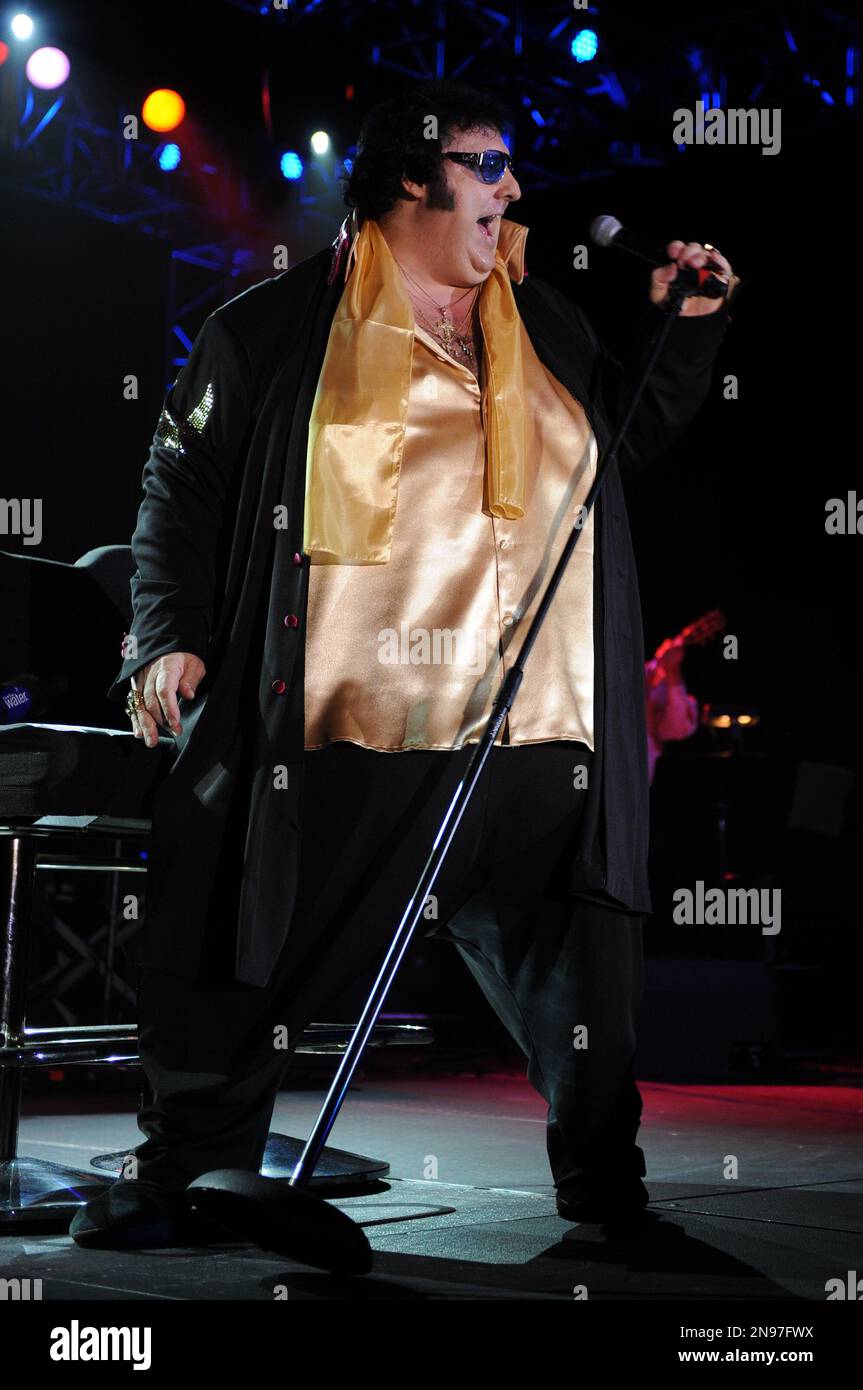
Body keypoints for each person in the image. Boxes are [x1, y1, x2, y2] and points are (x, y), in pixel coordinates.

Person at [71, 78, 739, 1249]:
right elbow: (181, 480)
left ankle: (605, 1197)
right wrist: (166, 632)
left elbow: (613, 453)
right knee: (248, 948)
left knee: (581, 972)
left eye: (509, 165)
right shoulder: (275, 328)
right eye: (487, 163)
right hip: (350, 718)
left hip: (537, 719)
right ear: (409, 177)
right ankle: (188, 1175)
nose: (511, 187)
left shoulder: (546, 328)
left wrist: (681, 331)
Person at [645, 638, 701, 784]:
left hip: (639, 759)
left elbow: (679, 727)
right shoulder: (643, 672)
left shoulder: (666, 693)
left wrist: (672, 672)